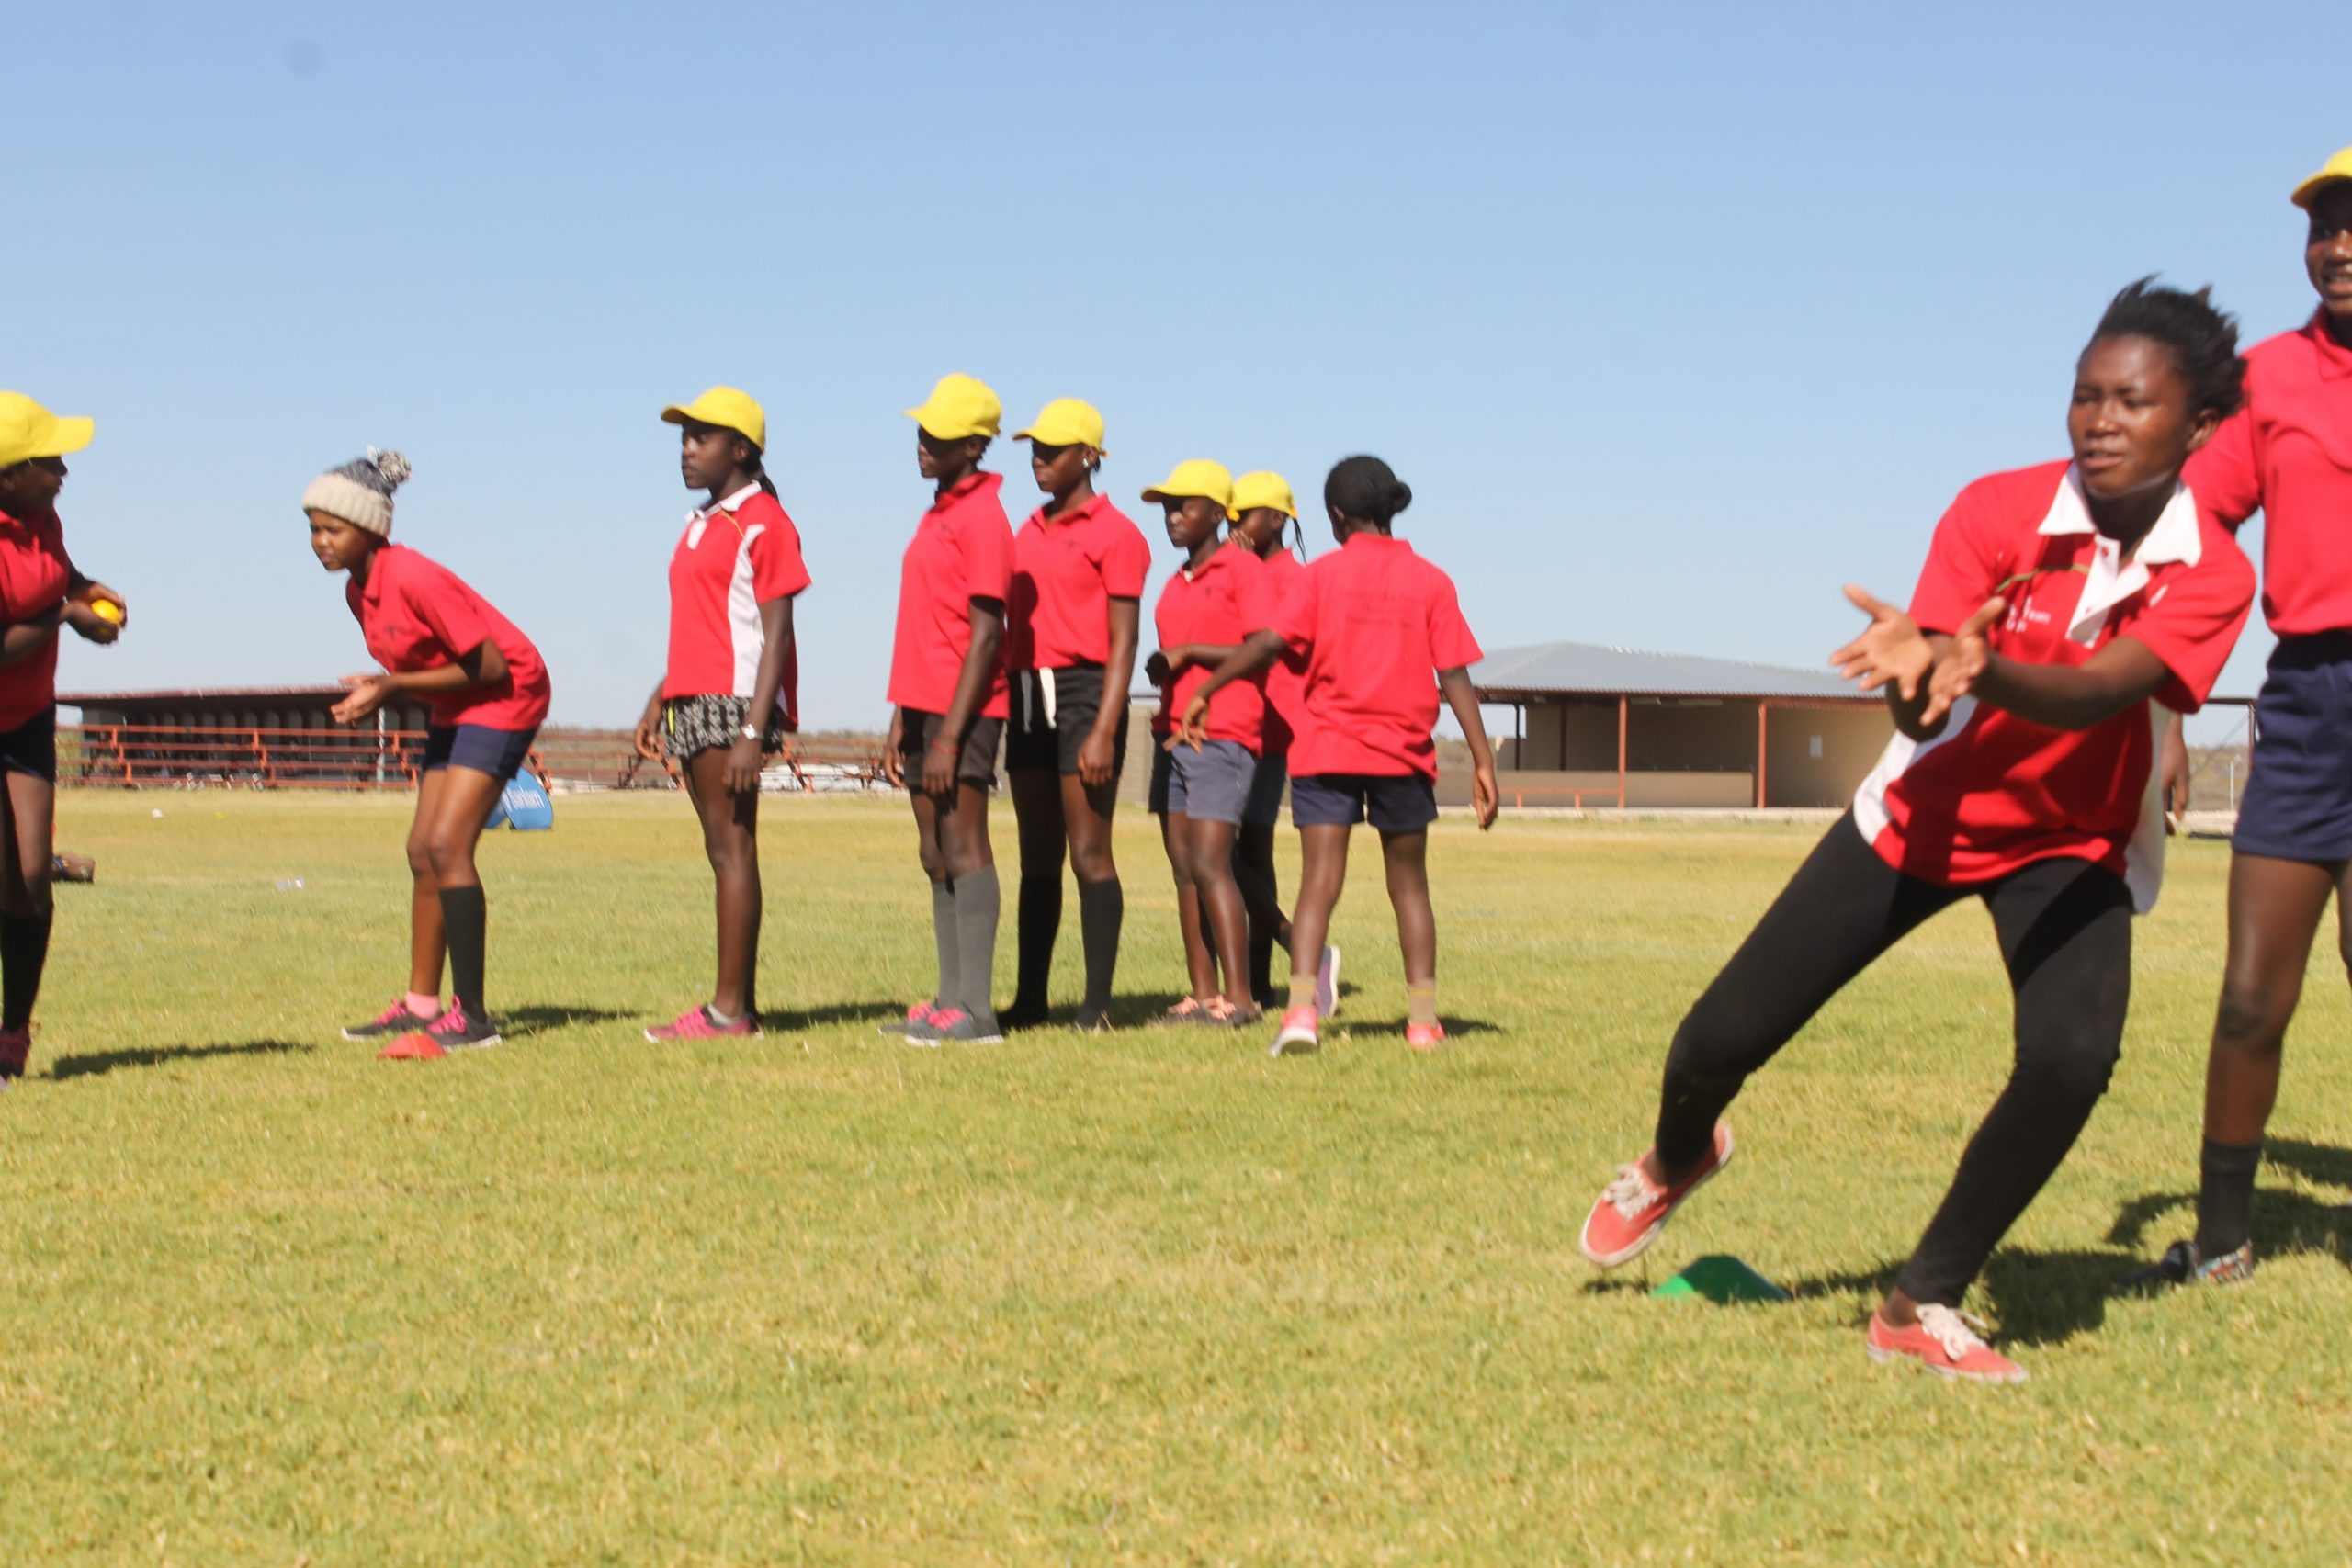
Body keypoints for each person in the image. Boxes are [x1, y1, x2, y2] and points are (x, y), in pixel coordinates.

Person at [1577, 280, 2254, 1384]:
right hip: (1922, 817)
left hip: (2070, 841)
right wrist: (1918, 682)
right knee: (1712, 1042)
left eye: (2131, 402)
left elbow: (2103, 692)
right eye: (2084, 396)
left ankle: (1918, 1302)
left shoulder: (2215, 570)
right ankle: (1674, 1157)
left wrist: (1989, 666)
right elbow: (1922, 705)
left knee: (2071, 1058)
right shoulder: (1995, 509)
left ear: (2201, 426)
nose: (2098, 422)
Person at [2136, 149, 2352, 1288]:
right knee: (2250, 996)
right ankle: (2220, 1241)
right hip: (2309, 707)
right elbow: (2194, 540)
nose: (2338, 245)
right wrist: (2170, 705)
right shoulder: (2268, 378)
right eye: (2323, 225)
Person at [1180, 455, 1499, 1055]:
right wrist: (1482, 760)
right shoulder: (1432, 580)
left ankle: (1301, 1013)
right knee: (1410, 888)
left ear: (1336, 515)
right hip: (1403, 754)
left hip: (1326, 749)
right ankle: (1422, 1023)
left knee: (1318, 884)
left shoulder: (1318, 577)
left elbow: (1269, 644)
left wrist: (1207, 689)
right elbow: (1454, 673)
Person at [313, 449, 552, 1060]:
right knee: (422, 849)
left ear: (371, 527)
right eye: (313, 529)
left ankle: (473, 1018)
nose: (320, 542)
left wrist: (391, 687)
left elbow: (490, 666)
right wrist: (383, 683)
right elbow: (422, 666)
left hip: (506, 693)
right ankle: (420, 1006)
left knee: (448, 847)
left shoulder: (414, 576)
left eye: (333, 528)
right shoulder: (357, 592)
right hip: (458, 701)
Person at [631, 388, 810, 1043]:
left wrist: (754, 731)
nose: (686, 449)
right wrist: (660, 698)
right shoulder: (702, 522)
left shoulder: (763, 521)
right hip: (693, 700)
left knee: (732, 850)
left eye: (700, 437)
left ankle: (729, 1012)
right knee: (723, 850)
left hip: (732, 705)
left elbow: (776, 634)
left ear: (740, 449)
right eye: (684, 437)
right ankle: (739, 1006)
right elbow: (704, 626)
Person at [997, 399, 1150, 1033]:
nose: (1038, 459)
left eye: (1052, 450)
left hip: (1086, 692)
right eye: (1034, 448)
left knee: (1089, 852)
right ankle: (1030, 1000)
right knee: (1037, 857)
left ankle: (1096, 1006)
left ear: (1089, 456)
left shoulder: (1118, 534)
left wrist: (1105, 728)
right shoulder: (1027, 527)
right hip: (1026, 691)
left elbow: (1124, 640)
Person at [882, 374, 1014, 1045]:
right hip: (923, 706)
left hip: (964, 710)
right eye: (921, 430)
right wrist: (902, 722)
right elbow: (922, 625)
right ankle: (948, 999)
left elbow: (986, 635)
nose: (922, 443)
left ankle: (978, 1011)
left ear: (974, 445)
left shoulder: (984, 516)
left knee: (964, 845)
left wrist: (948, 738)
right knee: (934, 852)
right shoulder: (937, 513)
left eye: (938, 434)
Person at [0, 394, 124, 1088]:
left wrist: (89, 589)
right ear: (9, 474)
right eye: (50, 460)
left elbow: (61, 579)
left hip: (25, 718)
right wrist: (65, 616)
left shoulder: (42, 519)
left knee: (28, 878)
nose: (63, 472)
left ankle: (12, 1034)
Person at [1144, 460, 1274, 1025]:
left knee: (1212, 862)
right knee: (1184, 869)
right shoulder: (1177, 580)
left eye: (1185, 506)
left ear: (1219, 513)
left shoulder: (1243, 570)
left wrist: (1191, 653)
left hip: (1224, 734)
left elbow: (1265, 644)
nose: (1173, 516)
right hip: (1173, 734)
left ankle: (1240, 1000)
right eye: (1168, 507)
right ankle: (1203, 994)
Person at [1227, 470, 1335, 1012]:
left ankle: (1288, 955)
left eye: (1242, 516)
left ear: (1277, 519)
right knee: (1236, 851)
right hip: (1232, 723)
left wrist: (1240, 569)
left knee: (1237, 850)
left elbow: (1265, 643)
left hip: (1272, 729)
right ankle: (1261, 981)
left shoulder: (1296, 578)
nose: (1233, 527)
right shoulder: (1231, 568)